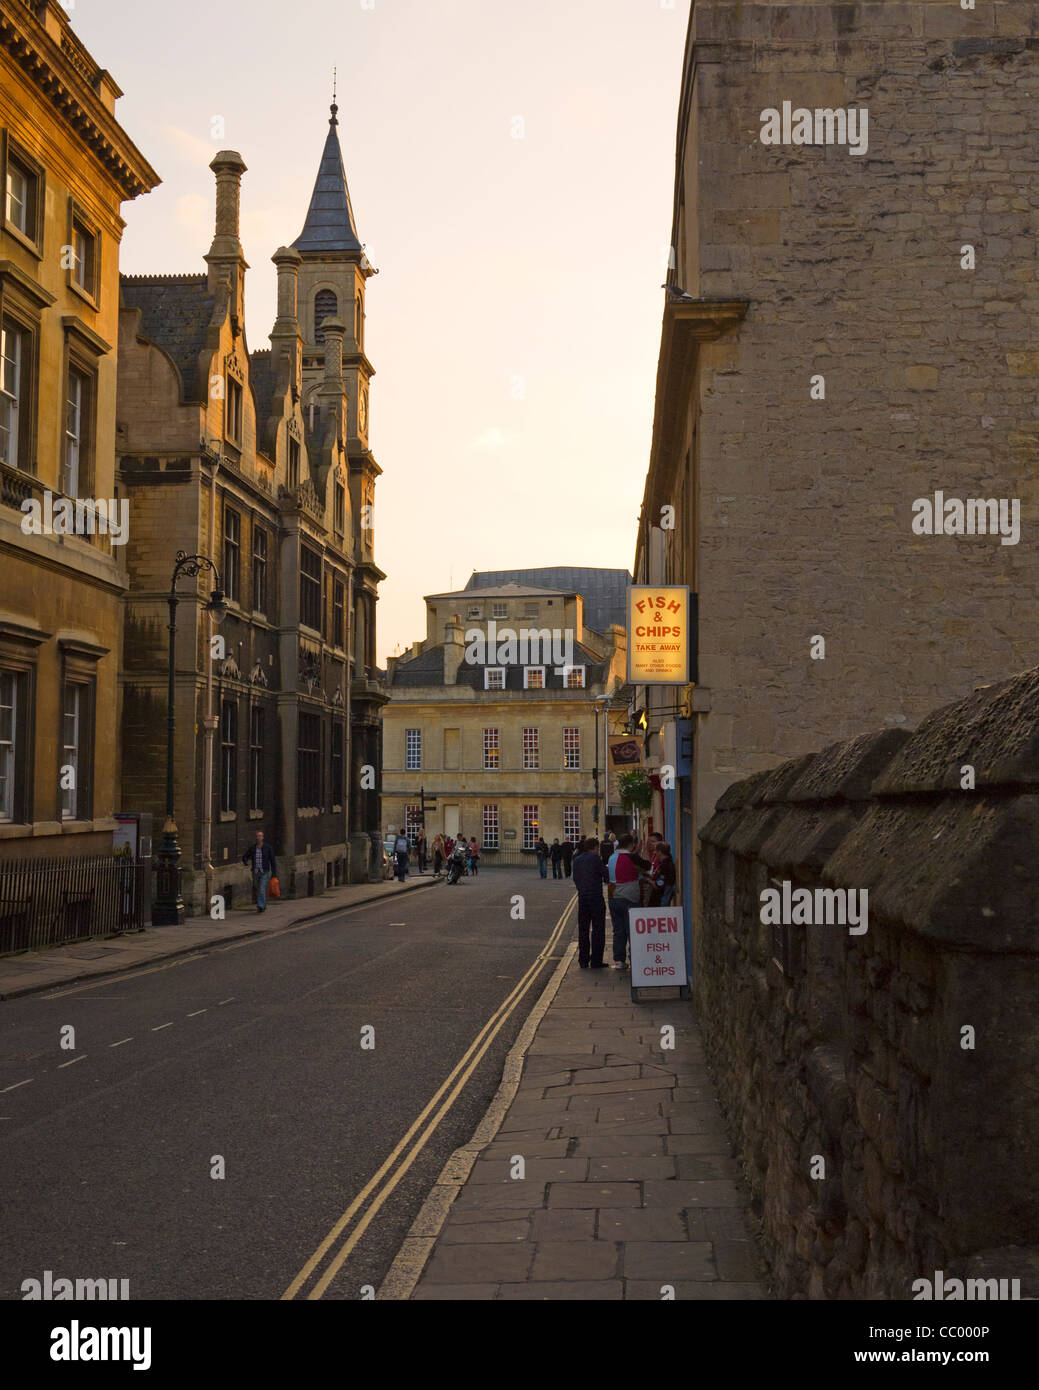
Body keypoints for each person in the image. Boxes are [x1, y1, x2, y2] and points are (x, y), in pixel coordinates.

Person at [608, 833, 650, 970]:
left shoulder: (612, 857)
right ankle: (635, 959)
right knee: (632, 929)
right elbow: (647, 867)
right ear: (630, 845)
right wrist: (644, 852)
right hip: (630, 897)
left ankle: (619, 961)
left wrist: (636, 853)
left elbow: (627, 864)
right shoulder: (633, 857)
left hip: (613, 897)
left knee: (618, 930)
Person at [572, 837, 609, 968]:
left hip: (582, 898)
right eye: (598, 848)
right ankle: (596, 961)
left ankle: (583, 960)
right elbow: (606, 875)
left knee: (583, 930)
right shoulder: (595, 858)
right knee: (598, 929)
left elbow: (575, 878)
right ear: (595, 847)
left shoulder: (576, 860)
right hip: (595, 897)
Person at [242, 829, 276, 914]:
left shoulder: (268, 848)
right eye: (257, 836)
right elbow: (245, 856)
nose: (259, 837)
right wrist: (246, 862)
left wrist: (274, 873)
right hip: (255, 872)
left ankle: (260, 906)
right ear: (256, 838)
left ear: (263, 837)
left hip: (265, 872)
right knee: (258, 888)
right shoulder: (253, 848)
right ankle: (263, 905)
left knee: (261, 888)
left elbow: (272, 860)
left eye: (260, 836)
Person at [649, 842, 677, 907]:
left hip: (660, 901)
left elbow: (659, 884)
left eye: (655, 851)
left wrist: (648, 881)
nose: (654, 853)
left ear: (660, 852)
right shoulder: (666, 863)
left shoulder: (665, 866)